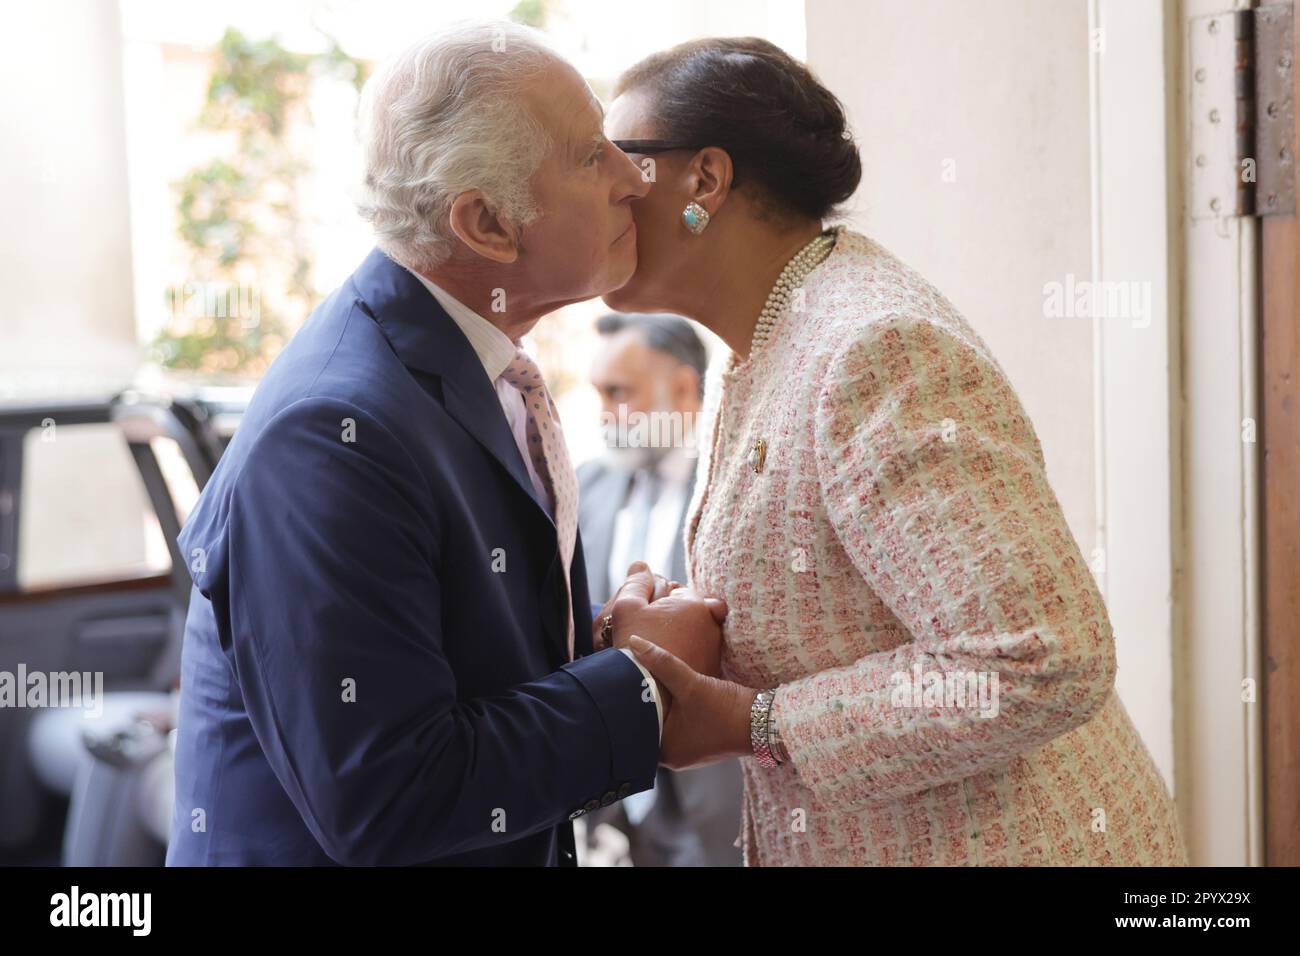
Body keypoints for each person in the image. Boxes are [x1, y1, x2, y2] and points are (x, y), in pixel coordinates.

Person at [595, 36, 1189, 866]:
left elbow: (1044, 656)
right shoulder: (773, 337)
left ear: (705, 180)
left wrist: (756, 722)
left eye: (618, 158)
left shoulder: (872, 348)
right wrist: (696, 626)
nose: (604, 187)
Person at [165, 21, 726, 867]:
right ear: (487, 224)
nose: (632, 177)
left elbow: (462, 664)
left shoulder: (473, 364)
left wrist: (603, 646)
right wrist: (641, 679)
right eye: (591, 156)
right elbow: (388, 796)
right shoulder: (333, 435)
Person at [577, 312, 742, 866]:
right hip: (612, 801)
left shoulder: (738, 484)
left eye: (620, 393)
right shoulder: (585, 486)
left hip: (720, 801)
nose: (606, 415)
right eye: (599, 394)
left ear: (684, 389)